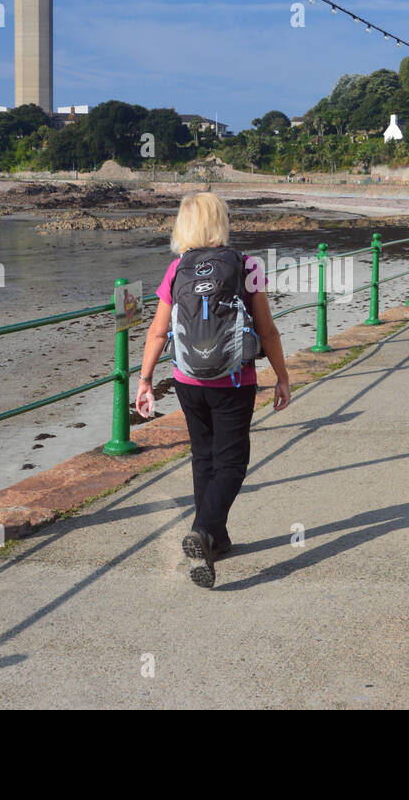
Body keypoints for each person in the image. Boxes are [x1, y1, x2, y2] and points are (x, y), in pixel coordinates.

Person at [135, 192, 292, 589]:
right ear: (220, 222)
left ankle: (215, 539)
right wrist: (282, 376)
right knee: (233, 462)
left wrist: (145, 380)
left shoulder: (176, 270)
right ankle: (203, 530)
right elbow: (267, 330)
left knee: (204, 457)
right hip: (234, 381)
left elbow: (158, 331)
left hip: (188, 381)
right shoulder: (247, 265)